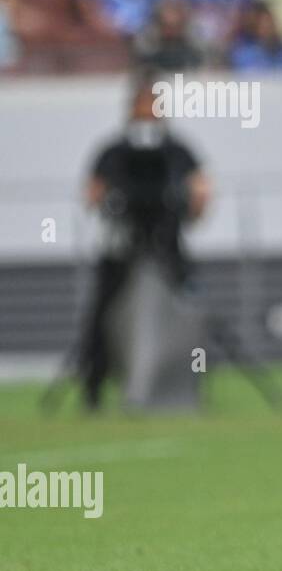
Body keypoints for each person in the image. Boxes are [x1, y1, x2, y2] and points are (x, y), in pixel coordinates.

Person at [80, 74, 210, 410]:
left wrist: (191, 210)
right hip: (123, 247)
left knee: (190, 308)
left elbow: (200, 190)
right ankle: (94, 387)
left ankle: (190, 383)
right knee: (102, 315)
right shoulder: (114, 152)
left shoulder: (177, 151)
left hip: (167, 245)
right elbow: (93, 193)